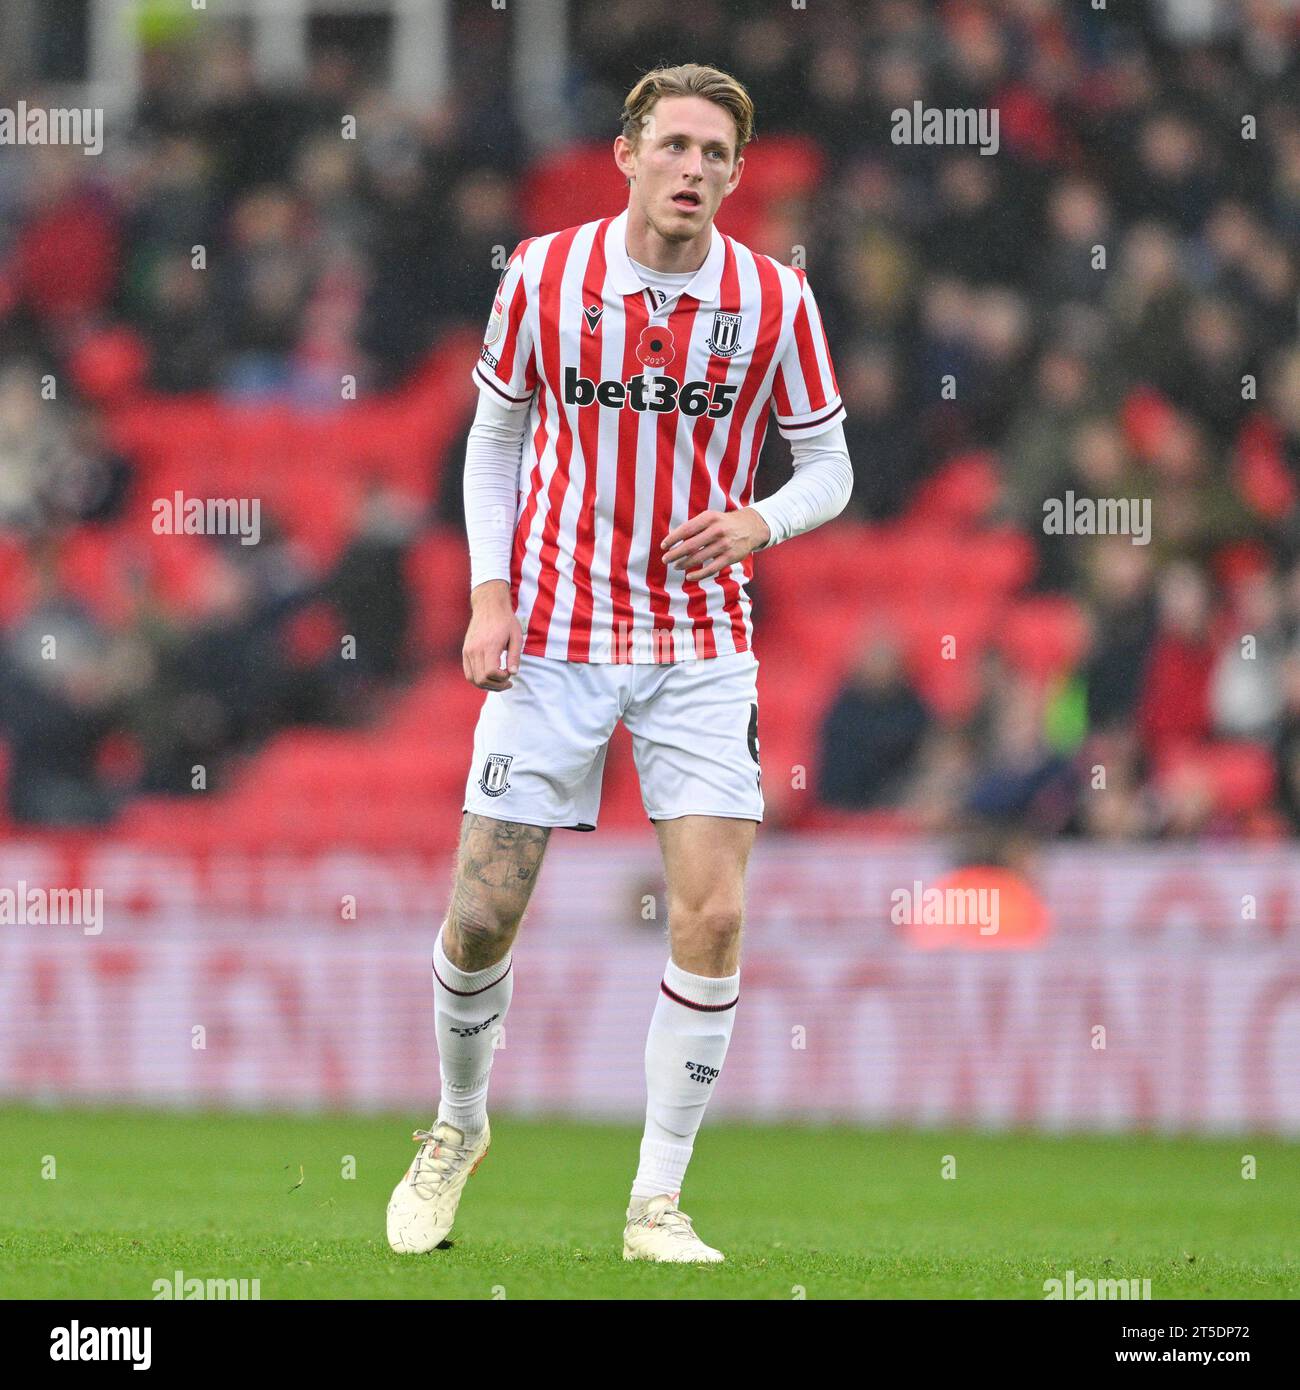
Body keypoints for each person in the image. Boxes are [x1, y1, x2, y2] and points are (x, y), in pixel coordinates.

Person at [386, 64, 853, 1263]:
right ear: (627, 154)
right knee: (484, 913)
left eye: (717, 155)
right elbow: (495, 435)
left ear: (738, 177)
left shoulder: (772, 300)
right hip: (550, 635)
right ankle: (454, 1126)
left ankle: (656, 1201)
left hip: (699, 644)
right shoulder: (544, 275)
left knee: (713, 912)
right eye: (678, 146)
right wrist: (489, 593)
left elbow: (829, 467)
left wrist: (763, 521)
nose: (696, 169)